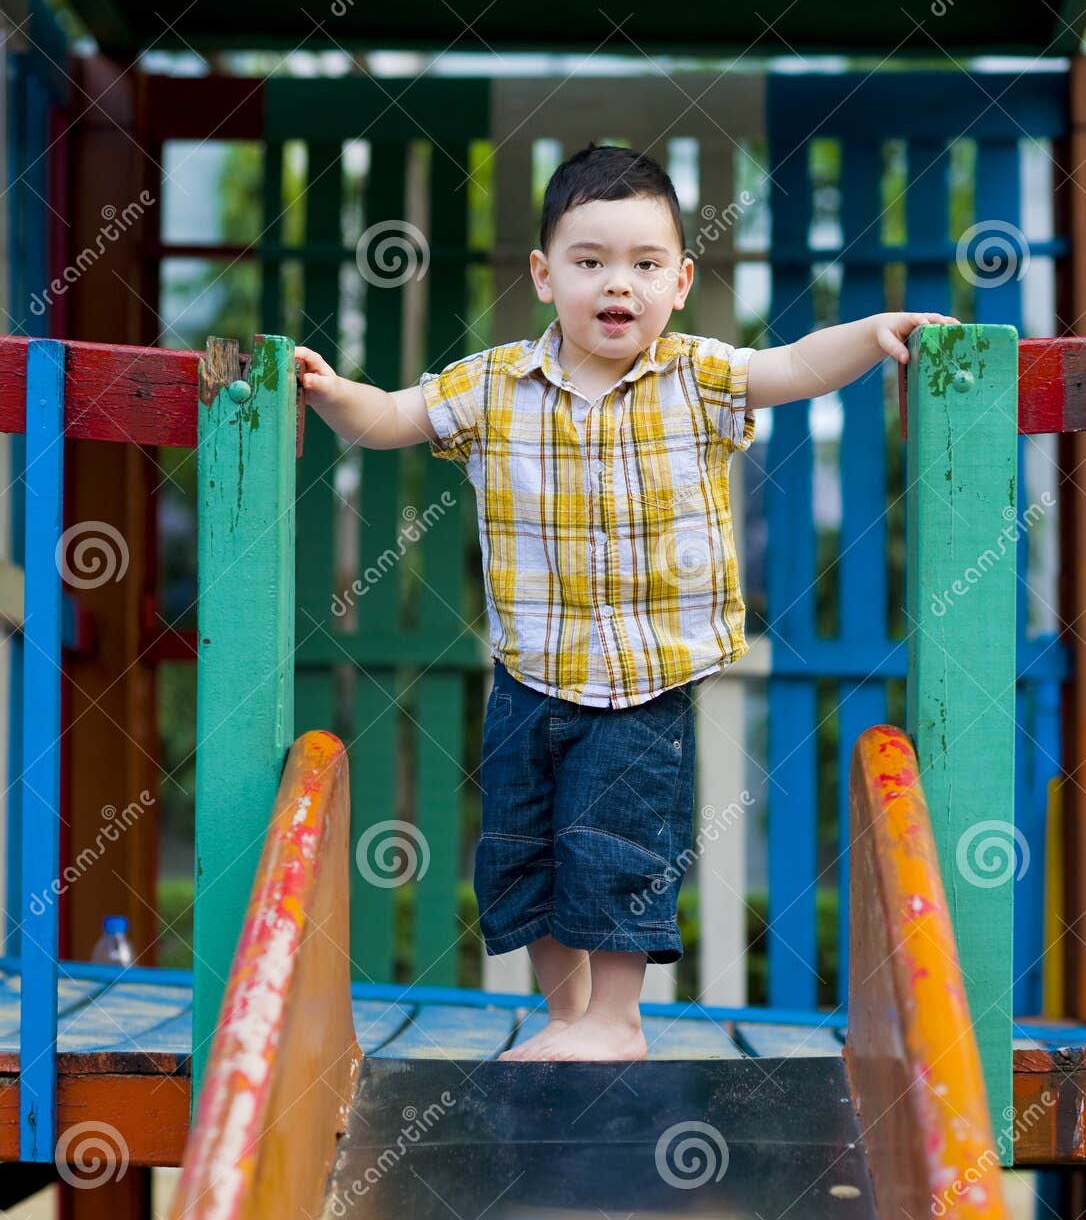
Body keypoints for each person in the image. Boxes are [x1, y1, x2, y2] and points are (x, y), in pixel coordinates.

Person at [295, 143, 956, 1063]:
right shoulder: (492, 384)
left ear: (681, 281)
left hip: (646, 680)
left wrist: (872, 329)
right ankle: (568, 1019)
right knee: (523, 854)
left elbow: (797, 365)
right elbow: (394, 418)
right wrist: (329, 394)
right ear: (544, 273)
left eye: (646, 265)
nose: (620, 285)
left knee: (616, 848)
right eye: (591, 261)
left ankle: (616, 1020)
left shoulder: (698, 375)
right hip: (531, 675)